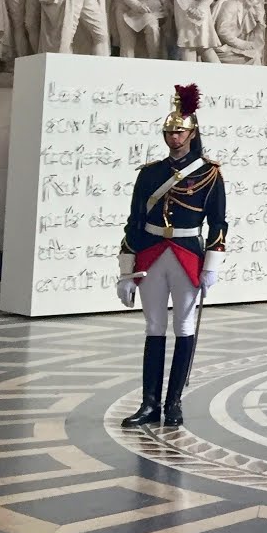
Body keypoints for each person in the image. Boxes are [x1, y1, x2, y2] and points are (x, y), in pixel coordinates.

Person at [115, 85, 227, 428]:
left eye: (179, 131)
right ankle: (149, 403)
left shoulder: (209, 173)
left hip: (187, 254)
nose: (173, 137)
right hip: (150, 254)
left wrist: (211, 265)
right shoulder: (149, 173)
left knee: (183, 326)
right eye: (169, 131)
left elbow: (218, 222)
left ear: (192, 133)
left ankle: (173, 402)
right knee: (153, 328)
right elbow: (134, 220)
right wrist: (126, 268)